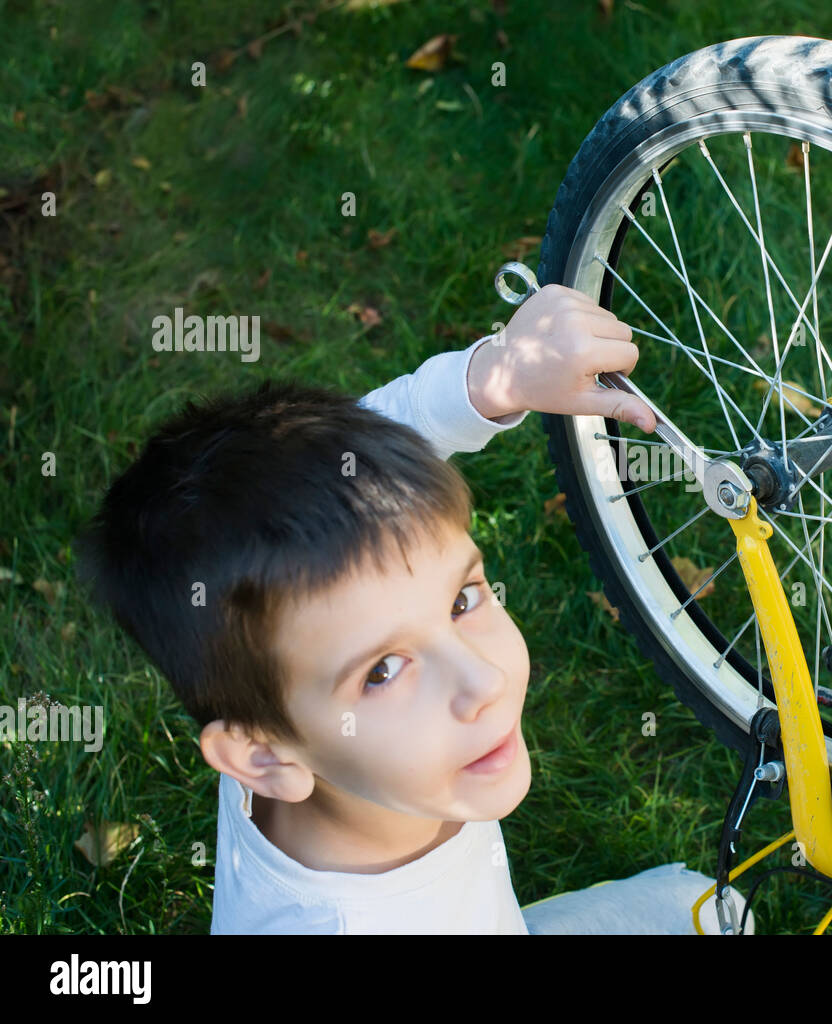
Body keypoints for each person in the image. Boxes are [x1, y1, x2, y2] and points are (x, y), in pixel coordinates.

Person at [75, 283, 753, 934]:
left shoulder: (283, 697)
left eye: (461, 600)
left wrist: (496, 379)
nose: (483, 681)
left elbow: (360, 463)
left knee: (706, 907)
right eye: (382, 671)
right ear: (260, 757)